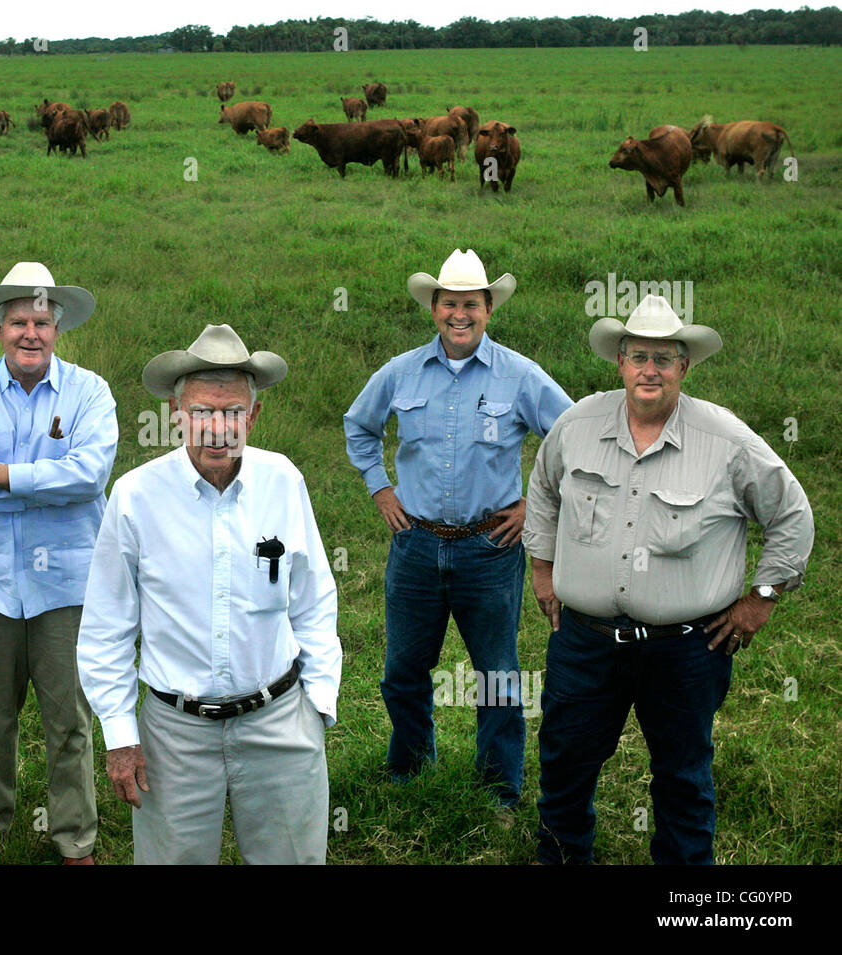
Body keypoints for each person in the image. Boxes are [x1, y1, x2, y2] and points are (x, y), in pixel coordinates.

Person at [524, 294, 814, 864]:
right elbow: (543, 491)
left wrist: (761, 597)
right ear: (620, 363)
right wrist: (542, 568)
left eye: (663, 358)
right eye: (638, 356)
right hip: (584, 642)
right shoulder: (577, 424)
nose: (649, 370)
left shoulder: (726, 441)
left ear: (684, 367)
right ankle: (561, 857)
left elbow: (792, 515)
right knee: (564, 763)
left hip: (685, 650)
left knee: (682, 776)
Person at [77, 324, 342, 864]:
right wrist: (122, 734)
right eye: (202, 412)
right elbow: (106, 626)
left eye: (232, 413)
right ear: (177, 414)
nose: (217, 428)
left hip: (279, 720)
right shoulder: (135, 497)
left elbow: (313, 599)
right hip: (174, 733)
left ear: (254, 417)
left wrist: (316, 705)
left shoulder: (283, 482)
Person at [344, 248, 572, 810]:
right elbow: (359, 426)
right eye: (449, 304)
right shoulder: (400, 373)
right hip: (415, 545)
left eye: (471, 304)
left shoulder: (519, 375)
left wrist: (534, 510)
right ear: (434, 308)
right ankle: (409, 769)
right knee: (402, 669)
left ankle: (500, 789)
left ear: (489, 308)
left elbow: (573, 441)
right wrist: (380, 486)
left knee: (496, 675)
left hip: (489, 549)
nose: (459, 315)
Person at [0, 261, 118, 865]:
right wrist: (43, 481)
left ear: (57, 327)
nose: (30, 333)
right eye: (18, 321)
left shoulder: (90, 392)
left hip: (66, 585)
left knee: (69, 718)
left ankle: (75, 839)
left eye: (41, 321)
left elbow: (91, 475)